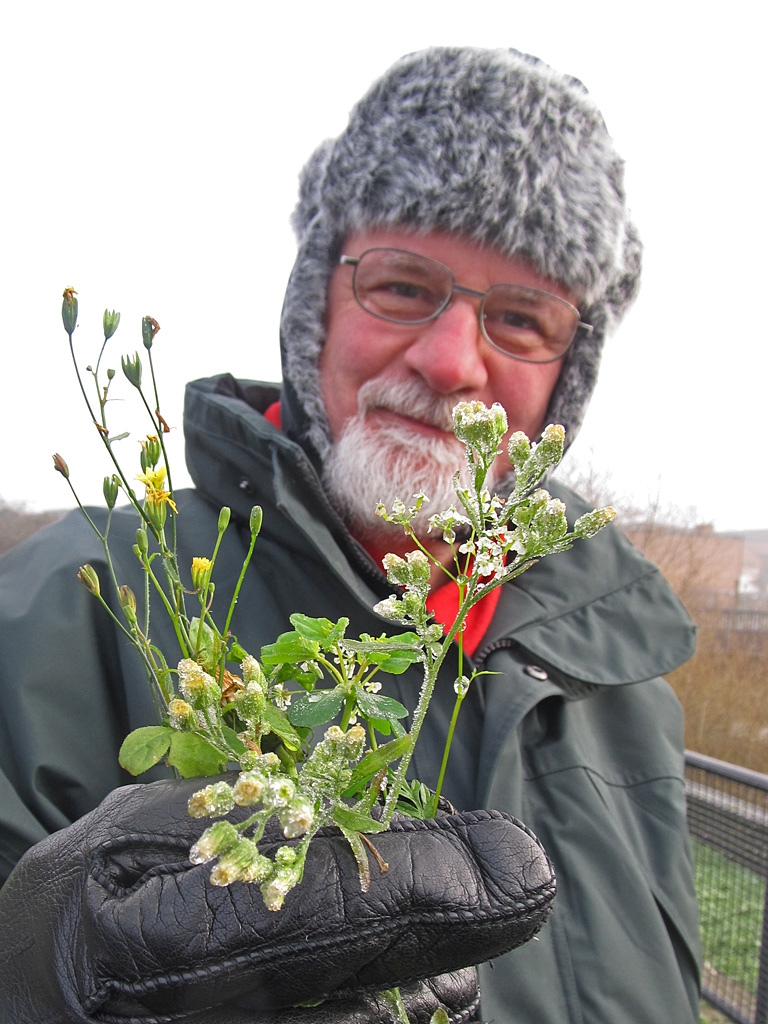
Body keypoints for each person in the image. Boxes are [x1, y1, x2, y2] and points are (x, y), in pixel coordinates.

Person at [0, 47, 700, 1023]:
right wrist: (44, 970)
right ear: (315, 303)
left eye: (521, 318)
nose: (453, 360)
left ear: (562, 380)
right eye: (405, 286)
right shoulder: (80, 599)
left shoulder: (626, 686)